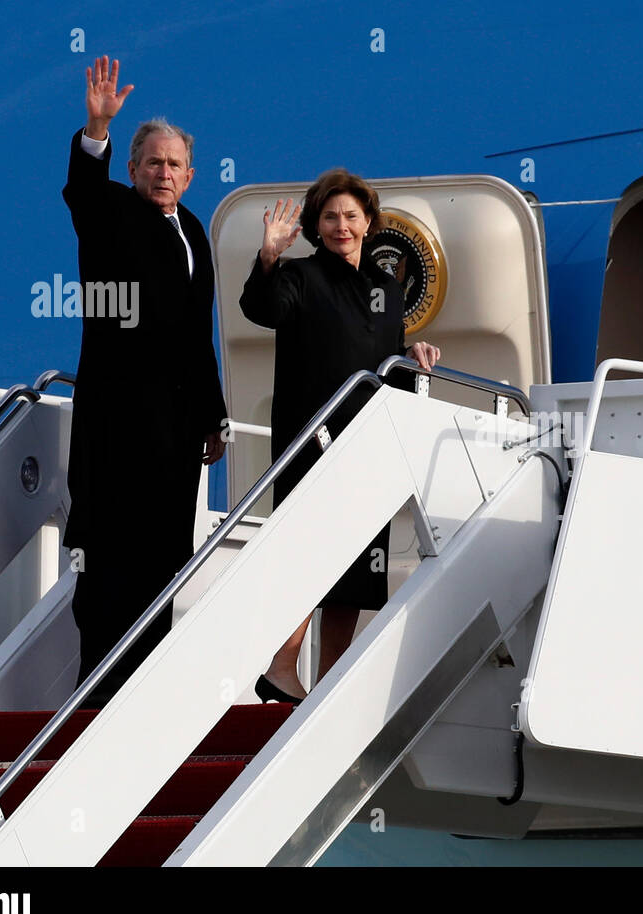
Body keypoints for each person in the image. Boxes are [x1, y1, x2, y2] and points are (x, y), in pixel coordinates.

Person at [63, 56, 228, 706]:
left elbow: (197, 333)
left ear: (190, 176)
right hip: (117, 422)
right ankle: (94, 696)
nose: (163, 173)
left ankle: (144, 692)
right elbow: (81, 190)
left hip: (177, 430)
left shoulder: (192, 230)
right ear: (132, 170)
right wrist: (96, 131)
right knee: (107, 559)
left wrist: (212, 416)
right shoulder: (110, 211)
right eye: (152, 162)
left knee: (164, 558)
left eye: (173, 165)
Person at [240, 172, 440, 703]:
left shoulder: (387, 290)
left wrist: (412, 357)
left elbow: (389, 363)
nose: (341, 226)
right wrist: (267, 259)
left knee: (355, 568)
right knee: (310, 555)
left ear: (369, 223)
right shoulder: (300, 276)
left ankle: (329, 681)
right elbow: (261, 310)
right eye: (330, 217)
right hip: (312, 441)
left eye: (351, 216)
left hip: (366, 445)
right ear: (315, 226)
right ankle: (282, 666)